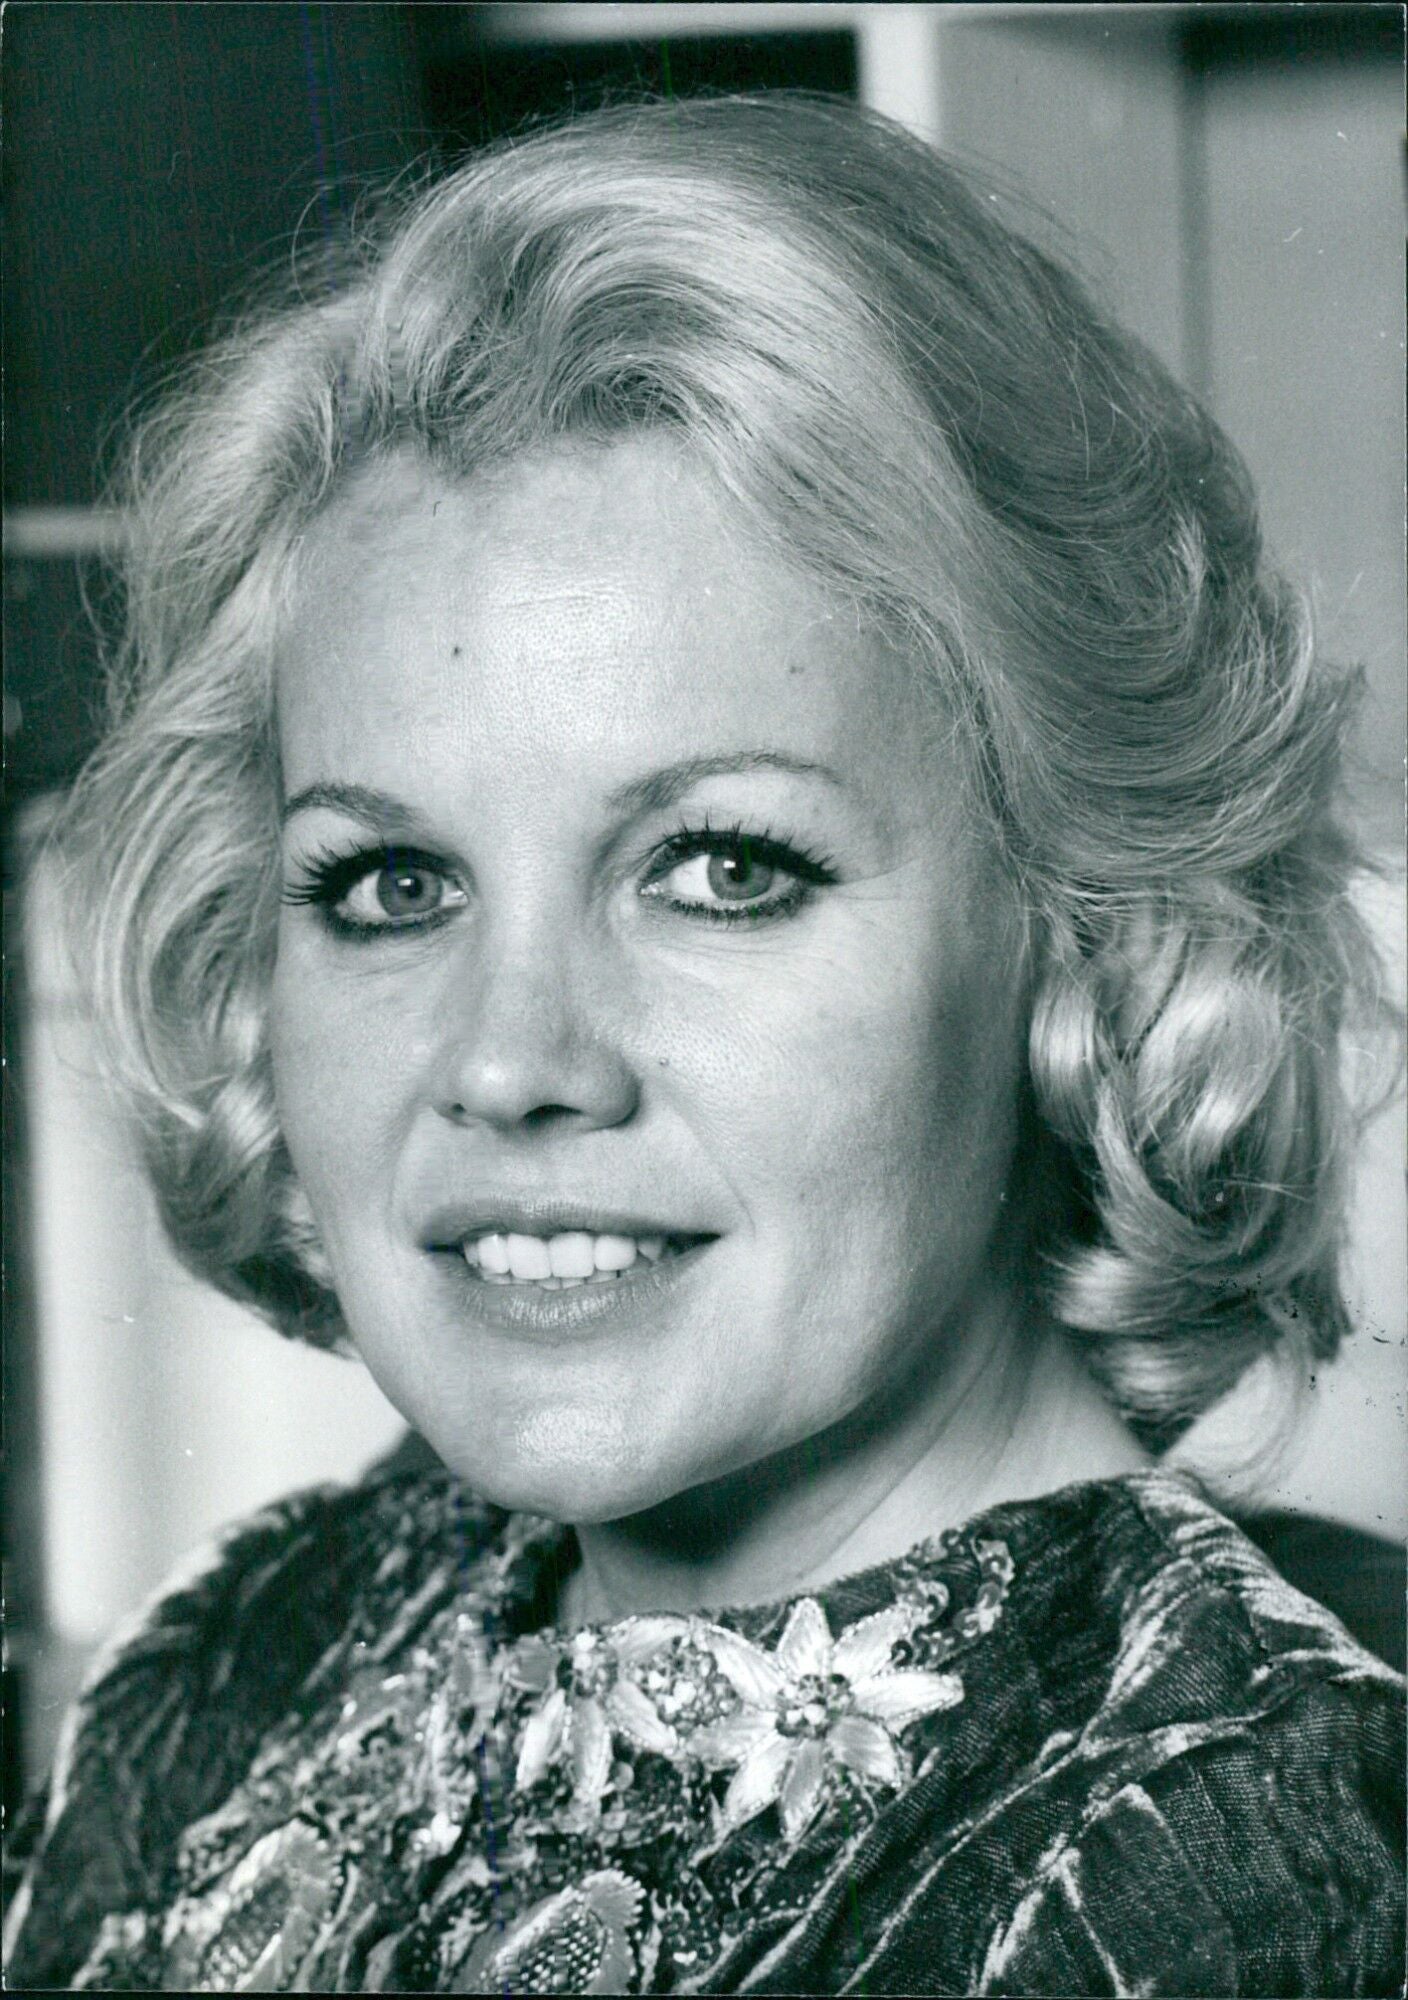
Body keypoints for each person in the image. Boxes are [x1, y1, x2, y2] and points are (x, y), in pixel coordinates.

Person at [4, 93, 1402, 1995]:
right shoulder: (260, 1645)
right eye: (391, 885)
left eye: (721, 869)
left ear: (1083, 933)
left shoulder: (1203, 1877)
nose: (511, 1063)